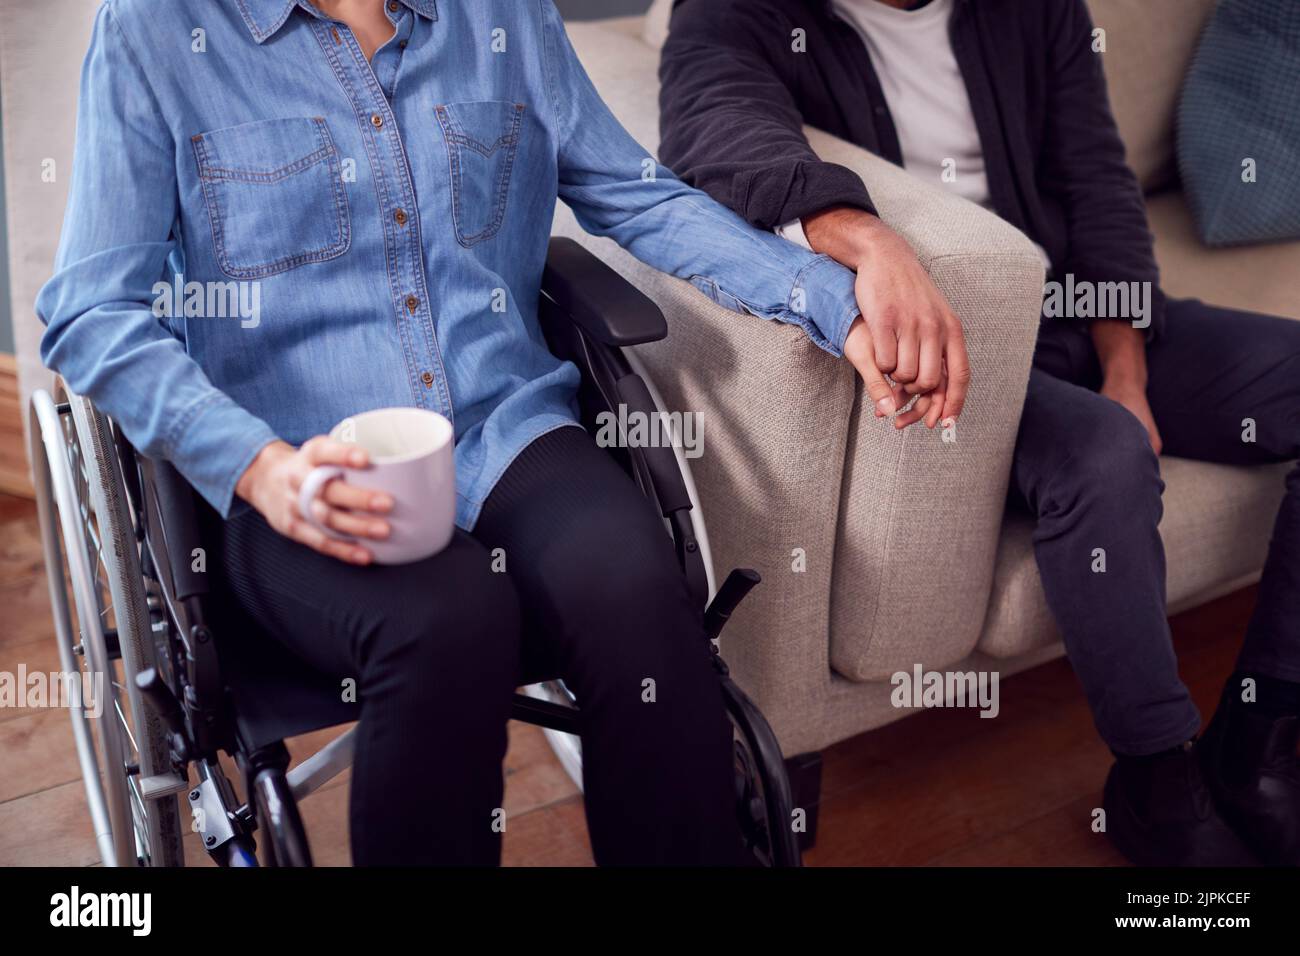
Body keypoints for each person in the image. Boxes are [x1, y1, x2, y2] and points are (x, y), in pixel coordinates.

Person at [36, 0, 948, 866]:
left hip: (504, 425)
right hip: (296, 470)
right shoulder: (160, 30)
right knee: (445, 618)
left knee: (635, 591)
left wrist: (832, 302)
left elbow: (637, 198)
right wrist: (263, 469)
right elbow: (91, 314)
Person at [658, 0, 1300, 866]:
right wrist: (874, 242)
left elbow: (1096, 177)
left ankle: (1261, 742)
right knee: (1103, 456)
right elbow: (714, 132)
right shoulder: (742, 12)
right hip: (962, 350)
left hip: (1079, 308)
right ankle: (1157, 783)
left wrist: (1127, 371)